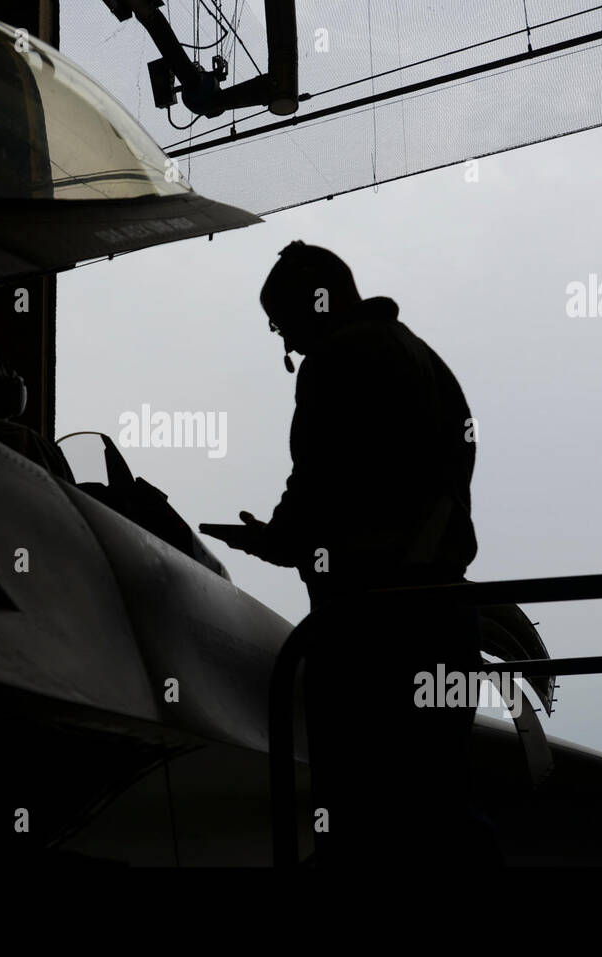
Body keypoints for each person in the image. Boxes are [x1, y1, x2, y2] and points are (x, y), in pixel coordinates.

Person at [213, 240, 497, 866]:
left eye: (281, 321)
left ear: (311, 303)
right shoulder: (423, 358)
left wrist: (272, 540)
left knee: (358, 822)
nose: (284, 341)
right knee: (442, 809)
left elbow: (318, 479)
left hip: (373, 628)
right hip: (444, 615)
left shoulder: (338, 358)